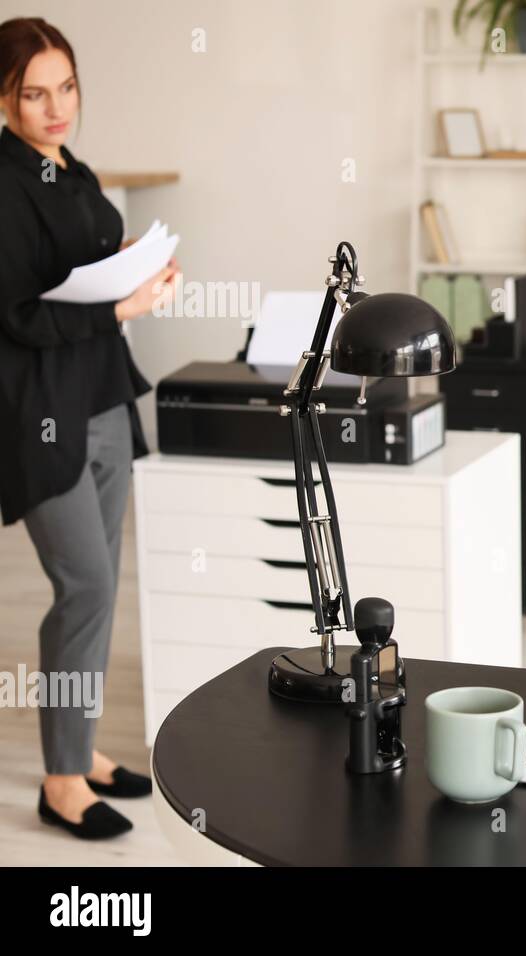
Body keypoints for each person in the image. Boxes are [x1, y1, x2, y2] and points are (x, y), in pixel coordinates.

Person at [0, 17, 179, 839]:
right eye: (33, 93)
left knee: (100, 587)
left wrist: (138, 261)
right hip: (40, 413)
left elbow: (80, 265)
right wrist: (121, 304)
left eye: (64, 87)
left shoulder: (75, 172)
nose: (54, 106)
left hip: (105, 398)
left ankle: (84, 749)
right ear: (5, 98)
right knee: (87, 589)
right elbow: (16, 316)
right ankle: (62, 782)